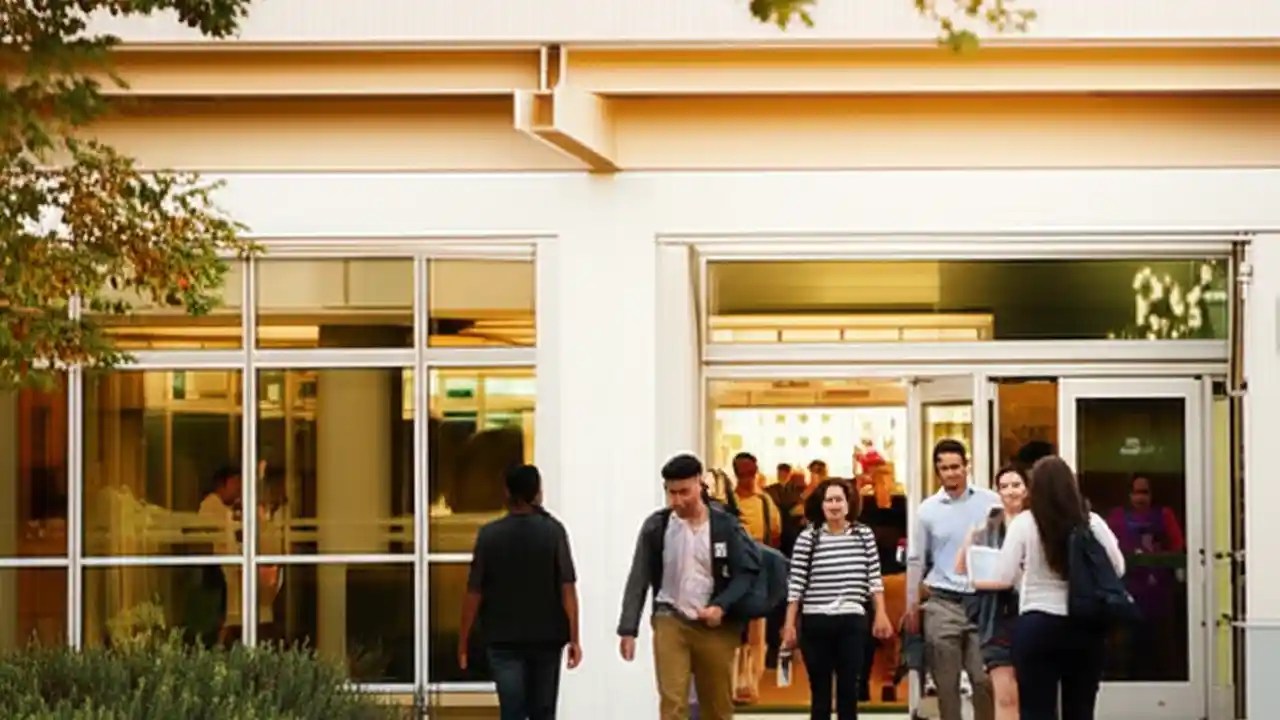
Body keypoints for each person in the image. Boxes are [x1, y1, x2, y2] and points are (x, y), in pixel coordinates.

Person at [978, 456, 1125, 720]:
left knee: (1036, 709)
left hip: (1037, 623)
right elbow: (1118, 567)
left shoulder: (1025, 523)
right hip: (1085, 626)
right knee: (1080, 709)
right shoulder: (1091, 522)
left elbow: (1004, 575)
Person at [617, 453, 762, 720]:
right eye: (671, 493)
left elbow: (746, 573)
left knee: (717, 706)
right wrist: (628, 628)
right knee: (672, 702)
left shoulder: (724, 525)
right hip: (670, 618)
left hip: (715, 625)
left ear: (699, 484)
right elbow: (639, 576)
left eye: (684, 492)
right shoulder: (657, 526)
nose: (678, 500)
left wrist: (722, 604)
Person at [459, 464, 581, 720]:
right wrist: (574, 637)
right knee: (543, 711)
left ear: (506, 492)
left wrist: (464, 639)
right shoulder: (553, 532)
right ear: (538, 492)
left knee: (511, 711)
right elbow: (567, 588)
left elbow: (474, 591)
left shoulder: (490, 535)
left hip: (503, 640)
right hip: (547, 638)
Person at [782, 478, 894, 720]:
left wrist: (881, 613)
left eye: (839, 500)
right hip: (816, 621)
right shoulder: (808, 537)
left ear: (848, 503)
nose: (834, 505)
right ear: (821, 505)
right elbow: (796, 585)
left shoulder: (863, 535)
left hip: (852, 620)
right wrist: (789, 624)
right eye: (829, 500)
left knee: (849, 691)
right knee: (820, 693)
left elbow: (874, 578)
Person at [904, 439, 999, 720]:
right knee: (946, 686)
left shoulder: (990, 502)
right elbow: (916, 559)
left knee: (983, 680)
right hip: (942, 602)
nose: (951, 473)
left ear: (966, 466)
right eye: (944, 468)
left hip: (981, 602)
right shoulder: (927, 510)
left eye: (956, 467)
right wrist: (911, 604)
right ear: (938, 472)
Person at [956, 465, 1030, 720]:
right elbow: (962, 568)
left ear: (1027, 488)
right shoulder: (988, 527)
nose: (1011, 492)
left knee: (1033, 695)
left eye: (1016, 485)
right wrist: (972, 536)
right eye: (1004, 486)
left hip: (1033, 614)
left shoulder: (1039, 523)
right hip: (996, 616)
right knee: (1005, 695)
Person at [1105, 472, 1185, 681]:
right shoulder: (1117, 517)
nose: (1140, 498)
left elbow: (1178, 547)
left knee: (1160, 645)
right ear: (1128, 495)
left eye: (1145, 492)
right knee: (1126, 646)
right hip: (1127, 592)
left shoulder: (1165, 515)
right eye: (1135, 492)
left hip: (1159, 593)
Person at [730, 452, 781, 703]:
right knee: (734, 629)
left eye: (751, 473)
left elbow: (775, 532)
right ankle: (735, 683)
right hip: (735, 569)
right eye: (744, 474)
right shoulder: (728, 502)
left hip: (759, 568)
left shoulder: (764, 501)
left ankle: (752, 683)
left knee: (757, 630)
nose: (748, 478)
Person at [197, 464, 243, 647]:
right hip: (216, 570)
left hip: (226, 571)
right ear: (225, 483)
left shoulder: (226, 510)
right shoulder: (210, 507)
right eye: (236, 484)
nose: (239, 489)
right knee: (219, 618)